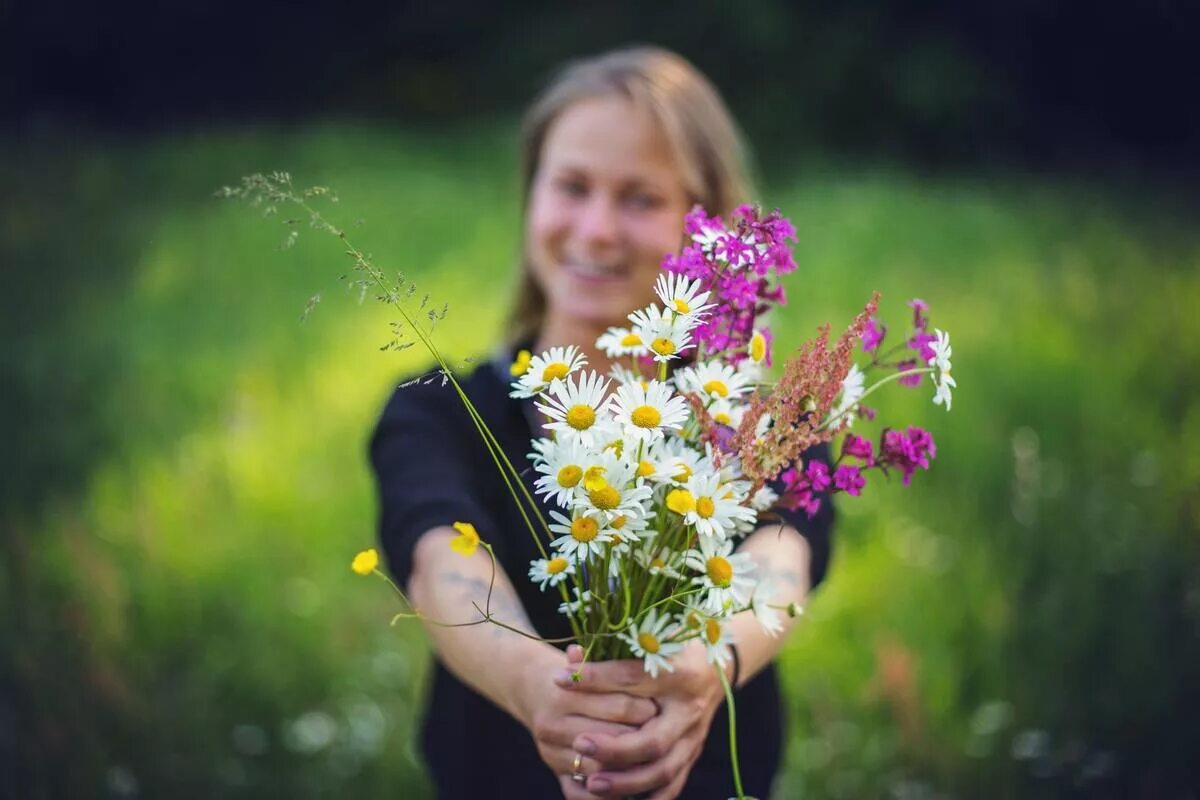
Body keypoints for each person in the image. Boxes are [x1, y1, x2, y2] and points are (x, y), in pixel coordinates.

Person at [370, 46, 834, 799]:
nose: (596, 228)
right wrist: (533, 683)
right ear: (531, 196)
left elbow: (780, 561)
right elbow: (440, 561)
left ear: (708, 229)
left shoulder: (759, 420)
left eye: (640, 198)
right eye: (572, 186)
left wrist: (706, 668)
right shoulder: (441, 412)